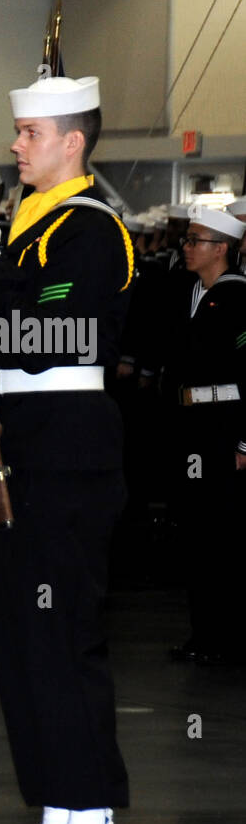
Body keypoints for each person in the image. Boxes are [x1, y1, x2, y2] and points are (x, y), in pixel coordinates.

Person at [0, 74, 132, 824]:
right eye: (16, 132)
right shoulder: (30, 225)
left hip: (65, 447)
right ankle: (58, 814)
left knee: (62, 635)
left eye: (31, 133)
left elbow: (53, 328)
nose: (17, 146)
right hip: (19, 440)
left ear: (73, 142)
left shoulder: (90, 228)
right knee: (22, 640)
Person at [162, 205, 245, 665]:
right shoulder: (189, 292)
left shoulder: (237, 298)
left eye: (196, 241)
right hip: (190, 427)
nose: (187, 247)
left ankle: (226, 634)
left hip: (221, 427)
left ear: (221, 249)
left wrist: (244, 441)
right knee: (196, 531)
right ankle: (205, 631)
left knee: (221, 534)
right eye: (187, 240)